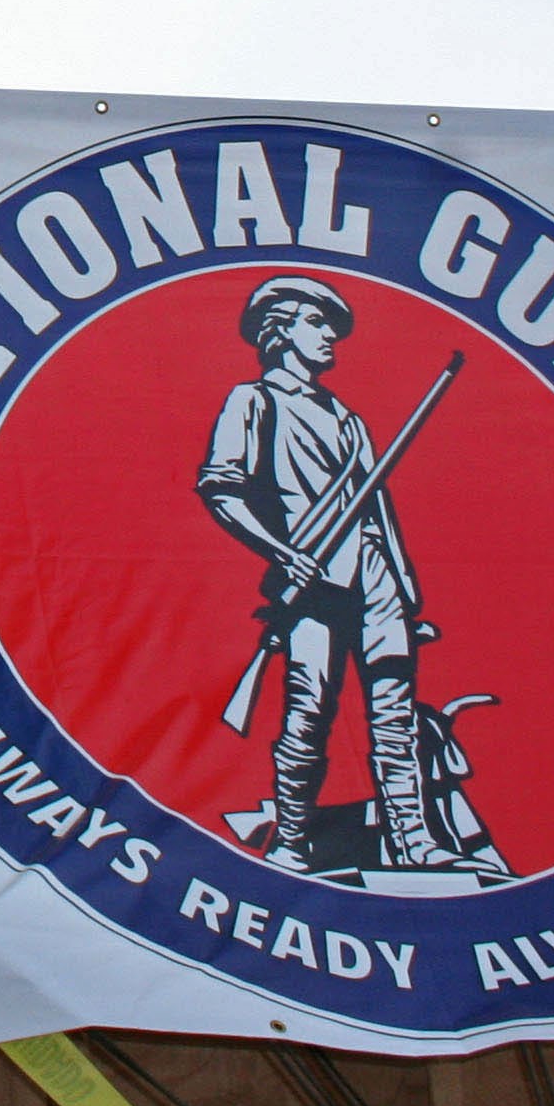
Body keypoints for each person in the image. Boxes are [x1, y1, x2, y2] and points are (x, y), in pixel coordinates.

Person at [196, 275, 465, 873]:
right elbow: (221, 489)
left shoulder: (349, 419)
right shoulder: (254, 402)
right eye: (316, 325)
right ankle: (292, 840)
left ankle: (415, 840)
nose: (330, 340)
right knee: (308, 710)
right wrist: (280, 553)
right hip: (315, 581)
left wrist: (403, 590)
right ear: (280, 330)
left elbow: (379, 511)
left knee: (396, 714)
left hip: (376, 580)